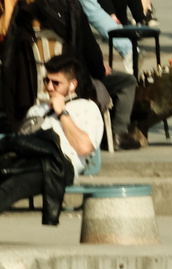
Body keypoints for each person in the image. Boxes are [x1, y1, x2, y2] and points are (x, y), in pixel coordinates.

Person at [0, 57, 103, 224]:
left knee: (11, 186)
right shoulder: (37, 110)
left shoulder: (87, 107)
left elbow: (84, 147)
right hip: (28, 159)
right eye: (46, 80)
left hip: (58, 167)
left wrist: (62, 113)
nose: (49, 87)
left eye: (56, 83)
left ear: (72, 85)